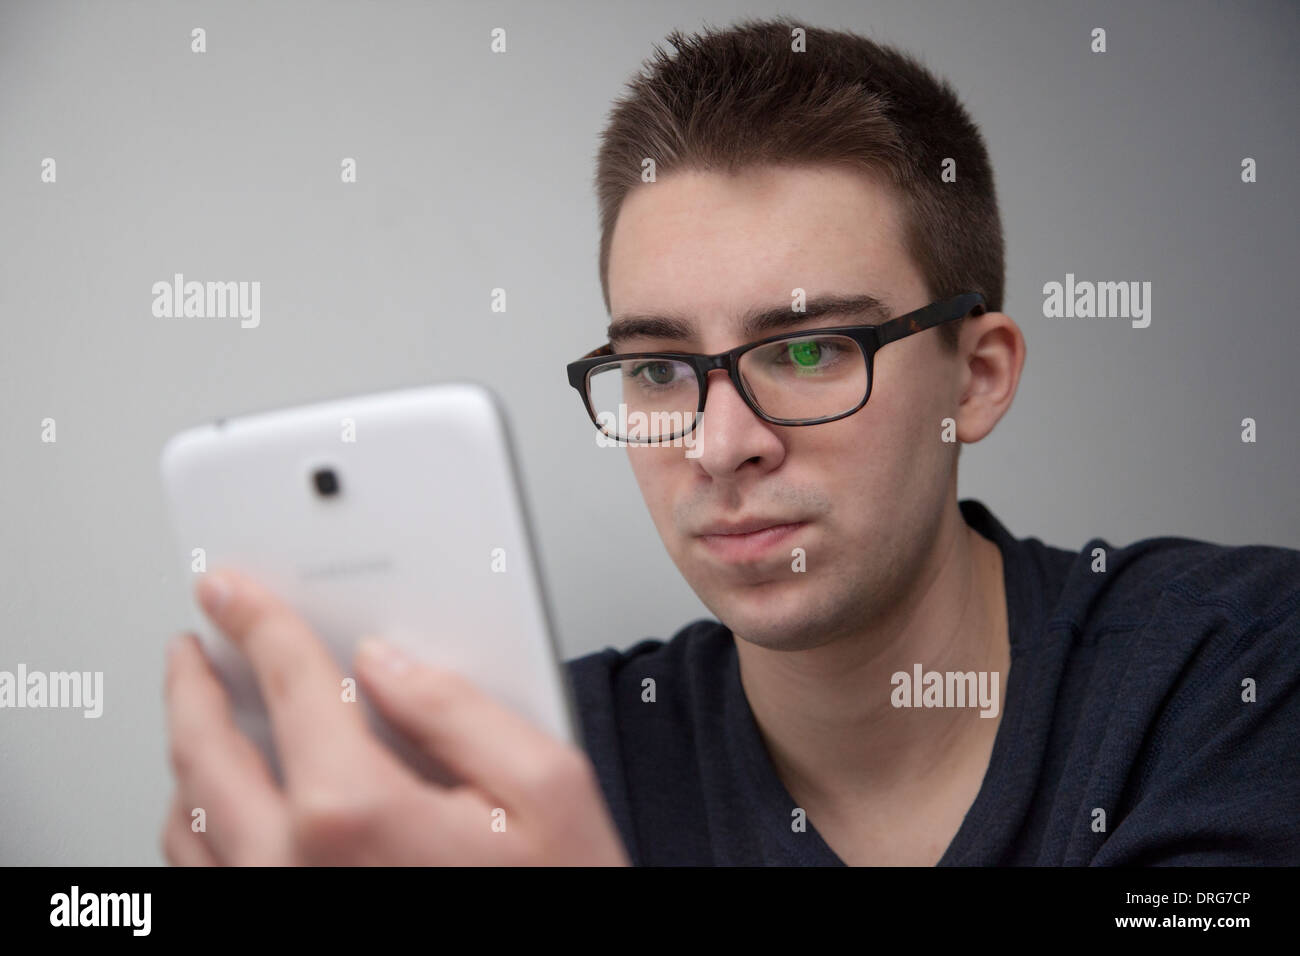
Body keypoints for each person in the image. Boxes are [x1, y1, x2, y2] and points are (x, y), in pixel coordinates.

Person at [161, 17, 1300, 866]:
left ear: (978, 374)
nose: (719, 445)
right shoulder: (534, 766)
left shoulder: (1232, 677)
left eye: (805, 350)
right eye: (658, 368)